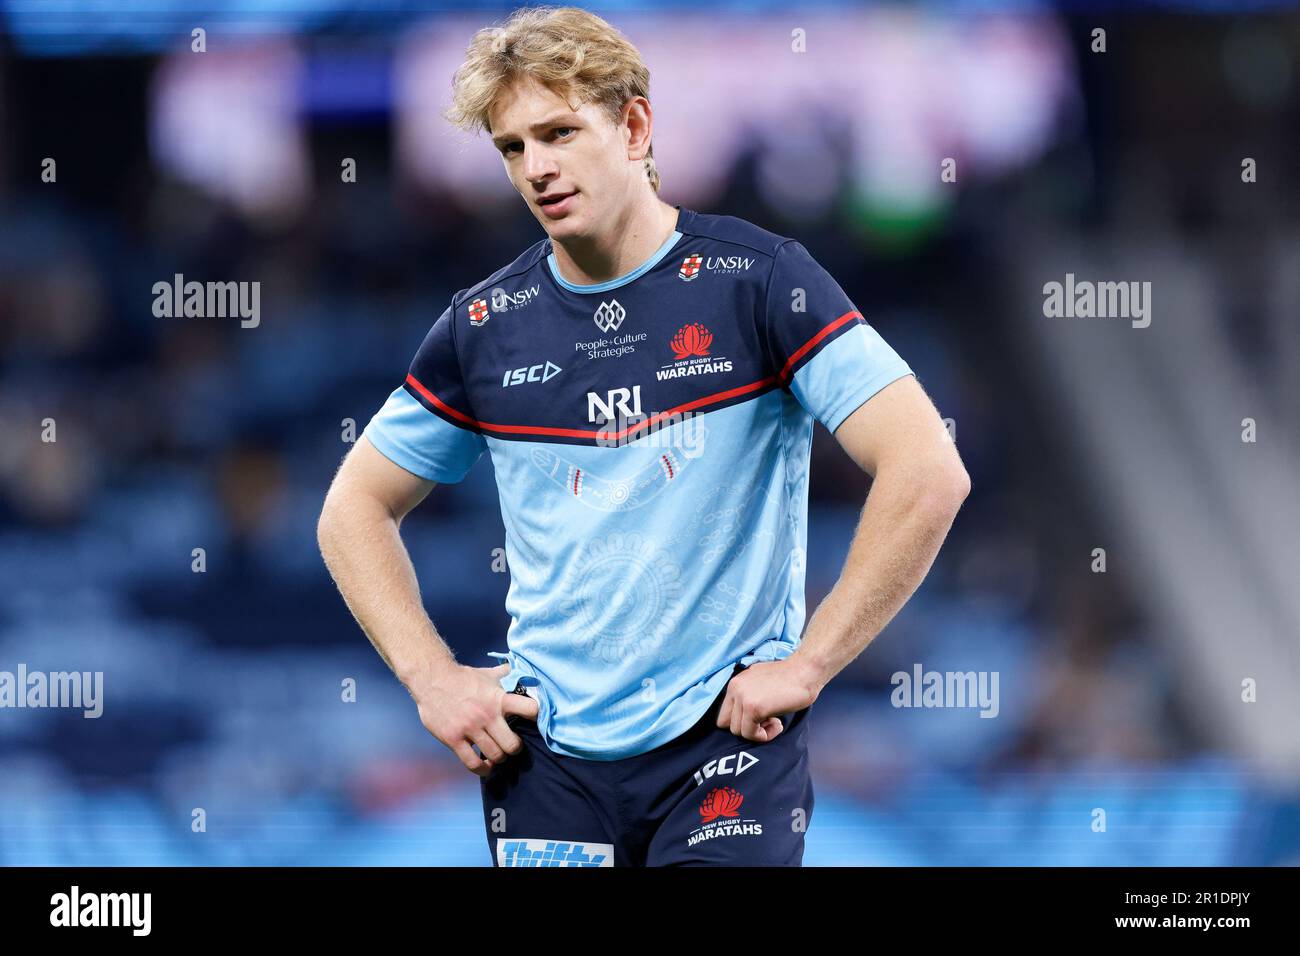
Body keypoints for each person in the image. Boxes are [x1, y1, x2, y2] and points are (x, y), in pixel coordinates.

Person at [317, 5, 970, 867]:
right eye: (513, 148)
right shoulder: (484, 324)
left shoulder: (760, 281)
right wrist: (430, 677)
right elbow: (352, 509)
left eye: (558, 132)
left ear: (633, 126)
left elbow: (927, 469)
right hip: (545, 764)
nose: (537, 168)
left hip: (728, 745)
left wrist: (809, 663)